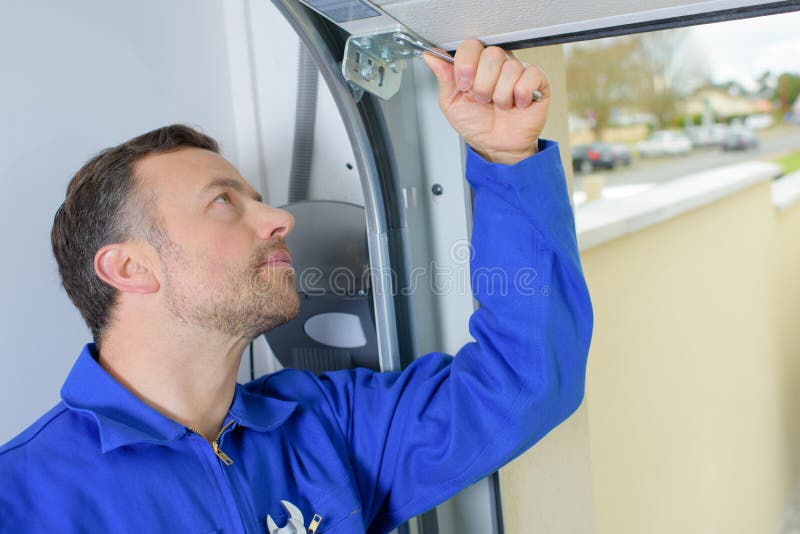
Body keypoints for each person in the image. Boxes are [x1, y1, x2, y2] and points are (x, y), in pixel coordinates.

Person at [0, 40, 592, 533]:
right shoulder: (22, 498)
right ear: (130, 268)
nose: (279, 218)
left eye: (257, 199)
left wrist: (505, 158)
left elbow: (525, 378)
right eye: (223, 201)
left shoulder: (324, 425)